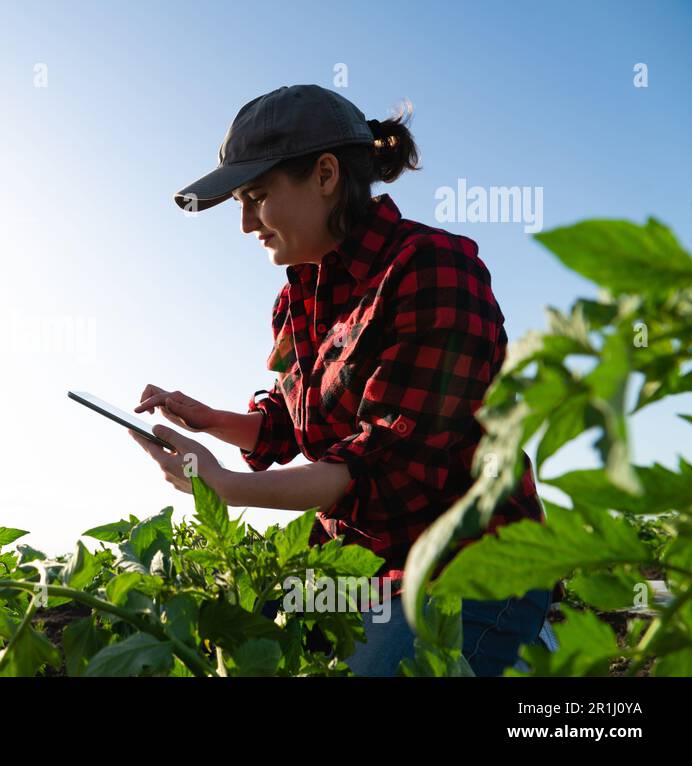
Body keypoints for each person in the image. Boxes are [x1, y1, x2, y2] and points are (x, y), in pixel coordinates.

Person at [126, 84, 557, 676]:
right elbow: (291, 423)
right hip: (372, 580)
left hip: (469, 571)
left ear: (326, 174)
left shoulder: (433, 268)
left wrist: (219, 486)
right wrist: (209, 421)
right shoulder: (300, 294)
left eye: (256, 196)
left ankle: (530, 649)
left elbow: (384, 464)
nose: (246, 222)